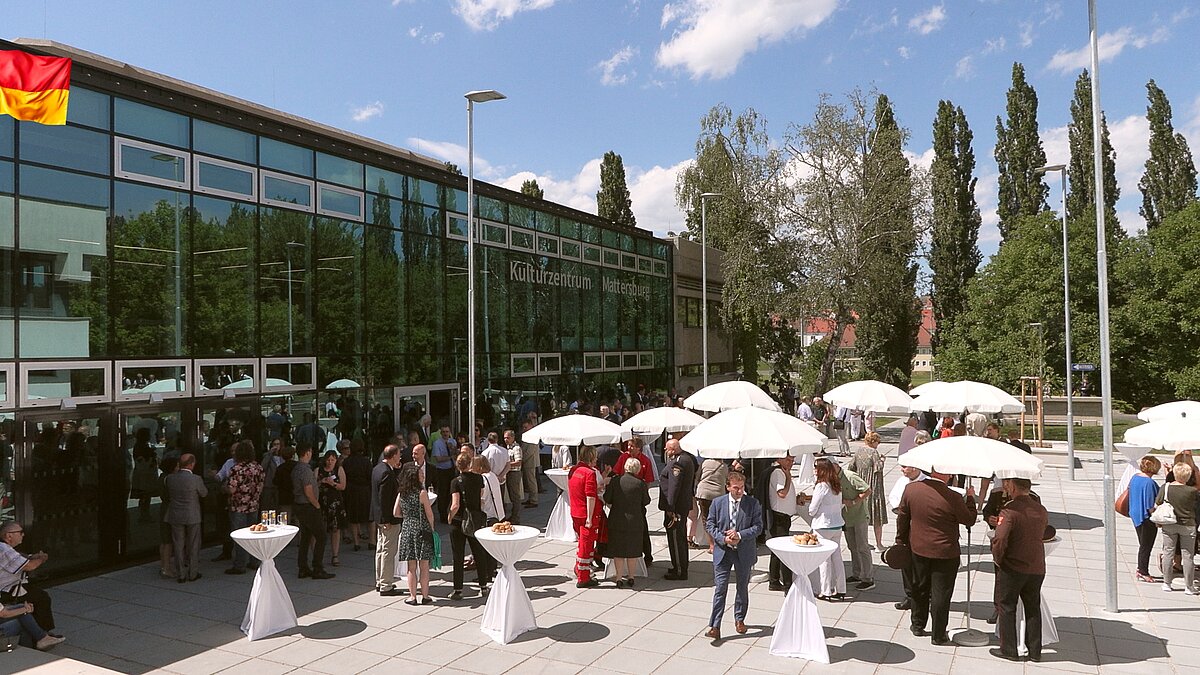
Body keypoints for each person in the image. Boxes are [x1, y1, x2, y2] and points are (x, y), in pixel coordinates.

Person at [896, 468, 977, 645]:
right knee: (941, 594)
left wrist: (900, 540)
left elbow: (902, 517)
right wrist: (970, 498)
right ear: (949, 475)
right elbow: (969, 519)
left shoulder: (912, 489)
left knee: (919, 587)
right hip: (945, 552)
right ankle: (938, 634)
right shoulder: (953, 496)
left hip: (918, 548)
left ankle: (917, 625)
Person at [990, 477, 1049, 662]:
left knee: (1007, 607)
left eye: (1008, 484)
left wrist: (998, 559)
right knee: (1033, 608)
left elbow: (1000, 539)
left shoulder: (1010, 510)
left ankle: (1009, 649)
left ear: (1013, 486)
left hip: (1014, 566)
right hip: (1036, 566)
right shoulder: (1041, 509)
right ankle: (1035, 651)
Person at [704, 472, 762, 641]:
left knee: (741, 587)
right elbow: (710, 524)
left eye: (742, 488)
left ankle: (740, 619)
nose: (739, 491)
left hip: (743, 552)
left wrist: (740, 535)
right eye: (736, 488)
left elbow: (758, 527)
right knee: (720, 589)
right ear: (728, 487)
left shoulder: (752, 503)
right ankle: (715, 625)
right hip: (723, 552)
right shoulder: (717, 503)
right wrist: (722, 538)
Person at [447, 451, 494, 599]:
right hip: (475, 519)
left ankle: (458, 590)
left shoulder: (455, 482)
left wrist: (449, 517)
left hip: (459, 521)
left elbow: (455, 504)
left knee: (458, 555)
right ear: (469, 464)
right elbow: (480, 498)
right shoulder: (479, 478)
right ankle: (483, 586)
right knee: (478, 552)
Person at [0, 522, 58, 636]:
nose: (23, 535)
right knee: (41, 598)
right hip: (7, 590)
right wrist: (41, 559)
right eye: (20, 532)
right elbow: (29, 566)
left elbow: (20, 558)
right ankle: (43, 634)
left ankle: (39, 633)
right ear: (9, 535)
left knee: (36, 595)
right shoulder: (4, 549)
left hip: (12, 587)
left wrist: (32, 557)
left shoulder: (6, 548)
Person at [607, 457, 652, 587]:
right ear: (637, 469)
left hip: (617, 519)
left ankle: (619, 578)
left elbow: (607, 498)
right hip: (635, 521)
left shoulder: (616, 481)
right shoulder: (640, 483)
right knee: (633, 550)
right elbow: (646, 501)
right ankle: (631, 576)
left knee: (618, 550)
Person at [889, 464, 927, 611]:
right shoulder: (902, 481)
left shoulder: (925, 482)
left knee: (920, 565)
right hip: (904, 524)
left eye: (905, 467)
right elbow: (893, 497)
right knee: (905, 562)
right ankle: (910, 595)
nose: (902, 470)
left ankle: (924, 596)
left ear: (916, 468)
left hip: (919, 528)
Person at [292, 446, 334, 580]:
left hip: (299, 505)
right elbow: (308, 490)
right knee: (321, 536)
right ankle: (317, 568)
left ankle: (303, 567)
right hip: (307, 506)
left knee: (306, 536)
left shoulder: (296, 468)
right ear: (307, 453)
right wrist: (316, 504)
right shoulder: (305, 470)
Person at [807, 457, 846, 600]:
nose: (815, 470)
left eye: (816, 467)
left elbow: (812, 509)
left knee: (824, 560)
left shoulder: (821, 486)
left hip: (823, 525)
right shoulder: (836, 484)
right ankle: (841, 588)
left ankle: (826, 590)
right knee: (837, 557)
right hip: (837, 524)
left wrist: (813, 512)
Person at [396, 462, 435, 605]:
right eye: (420, 474)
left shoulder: (402, 493)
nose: (423, 476)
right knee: (424, 565)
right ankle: (425, 596)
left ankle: (412, 597)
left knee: (411, 566)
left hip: (407, 529)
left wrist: (408, 517)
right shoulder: (422, 493)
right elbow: (429, 514)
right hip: (422, 529)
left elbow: (396, 512)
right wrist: (432, 528)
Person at [164, 453, 207, 584]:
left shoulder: (170, 478)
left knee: (178, 544)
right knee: (193, 544)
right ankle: (193, 572)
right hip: (192, 514)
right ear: (192, 464)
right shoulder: (196, 479)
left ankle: (181, 573)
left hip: (175, 514)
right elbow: (204, 493)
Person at [225, 441, 265, 575]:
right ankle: (254, 560)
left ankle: (239, 564)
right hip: (253, 505)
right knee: (253, 534)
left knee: (240, 536)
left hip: (238, 507)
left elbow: (231, 489)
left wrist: (223, 488)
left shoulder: (236, 469)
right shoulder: (258, 468)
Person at [1158, 462, 1197, 593]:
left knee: (1168, 553)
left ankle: (1167, 583)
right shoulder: (1192, 491)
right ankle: (1189, 586)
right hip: (1188, 525)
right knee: (1188, 556)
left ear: (1174, 474)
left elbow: (1157, 502)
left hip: (1170, 524)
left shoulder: (1166, 487)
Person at [660, 439, 696, 580]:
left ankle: (679, 569)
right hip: (681, 505)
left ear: (673, 450)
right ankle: (678, 565)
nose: (665, 450)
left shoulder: (678, 462)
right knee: (678, 537)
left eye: (667, 448)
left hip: (676, 507)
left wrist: (670, 507)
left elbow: (674, 487)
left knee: (676, 538)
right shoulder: (687, 458)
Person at [616, 437, 656, 566]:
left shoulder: (645, 460)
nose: (629, 448)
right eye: (628, 445)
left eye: (632, 446)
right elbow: (617, 473)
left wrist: (642, 492)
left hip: (637, 499)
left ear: (639, 448)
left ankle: (647, 555)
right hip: (623, 496)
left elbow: (649, 480)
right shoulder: (623, 458)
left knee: (642, 528)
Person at [569, 445, 603, 588]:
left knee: (582, 543)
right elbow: (590, 496)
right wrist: (589, 517)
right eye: (595, 456)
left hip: (575, 512)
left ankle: (580, 568)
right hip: (586, 514)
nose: (596, 459)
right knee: (586, 544)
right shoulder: (590, 473)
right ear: (590, 457)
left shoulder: (573, 470)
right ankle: (583, 577)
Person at [764, 455, 798, 591]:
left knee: (778, 551)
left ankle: (774, 580)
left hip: (783, 516)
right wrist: (789, 478)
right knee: (783, 550)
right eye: (788, 460)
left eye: (792, 460)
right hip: (779, 517)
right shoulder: (779, 473)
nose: (791, 463)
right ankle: (787, 583)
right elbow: (782, 493)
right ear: (780, 459)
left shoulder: (781, 471)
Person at [850, 431, 888, 551]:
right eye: (878, 441)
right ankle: (879, 544)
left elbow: (851, 466)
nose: (878, 444)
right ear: (873, 441)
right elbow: (879, 468)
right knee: (877, 517)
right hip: (874, 487)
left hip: (862, 486)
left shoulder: (858, 451)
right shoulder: (874, 452)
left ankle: (864, 542)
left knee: (862, 517)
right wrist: (882, 460)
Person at [375, 445, 403, 596]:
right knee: (388, 551)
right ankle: (386, 584)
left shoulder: (378, 469)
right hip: (388, 519)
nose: (400, 458)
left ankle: (380, 581)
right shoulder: (386, 473)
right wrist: (387, 519)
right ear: (393, 456)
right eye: (398, 455)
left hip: (380, 518)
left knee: (381, 549)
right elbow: (384, 498)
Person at [1129, 455, 1162, 583]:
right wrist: (1158, 518)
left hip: (1135, 514)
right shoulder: (1149, 483)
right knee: (1146, 546)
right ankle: (1143, 571)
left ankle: (1140, 568)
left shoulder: (1135, 478)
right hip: (1145, 517)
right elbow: (1150, 505)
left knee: (1142, 543)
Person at [317, 450, 348, 568]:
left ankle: (335, 555)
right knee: (319, 529)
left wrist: (332, 484)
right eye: (328, 460)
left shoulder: (339, 470)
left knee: (335, 529)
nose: (330, 462)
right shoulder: (318, 470)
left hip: (335, 503)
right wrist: (321, 482)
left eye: (333, 460)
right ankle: (317, 555)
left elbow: (343, 486)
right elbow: (313, 485)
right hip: (321, 503)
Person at [341, 439, 373, 551]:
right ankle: (372, 542)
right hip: (365, 490)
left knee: (353, 517)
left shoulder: (347, 462)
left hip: (351, 490)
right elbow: (370, 477)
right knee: (370, 517)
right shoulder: (366, 461)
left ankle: (356, 542)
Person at [695, 457, 728, 554]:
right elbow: (726, 479)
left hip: (704, 493)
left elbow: (698, 476)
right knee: (718, 519)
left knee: (706, 518)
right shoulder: (724, 466)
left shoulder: (705, 463)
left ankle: (711, 545)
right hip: (718, 494)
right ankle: (719, 542)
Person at [430, 424, 457, 521]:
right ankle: (442, 515)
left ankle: (449, 513)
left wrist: (453, 449)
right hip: (441, 470)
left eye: (447, 432)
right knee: (442, 492)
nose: (446, 434)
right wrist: (450, 457)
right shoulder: (437, 443)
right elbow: (438, 458)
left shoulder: (452, 442)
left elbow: (456, 455)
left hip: (452, 469)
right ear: (441, 433)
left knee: (451, 492)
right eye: (444, 432)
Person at [503, 429, 523, 523]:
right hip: (508, 473)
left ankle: (516, 517)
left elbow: (518, 462)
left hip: (514, 473)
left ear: (513, 437)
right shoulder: (507, 447)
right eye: (505, 438)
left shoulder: (516, 448)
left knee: (515, 496)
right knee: (510, 495)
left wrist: (508, 464)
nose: (506, 439)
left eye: (508, 437)